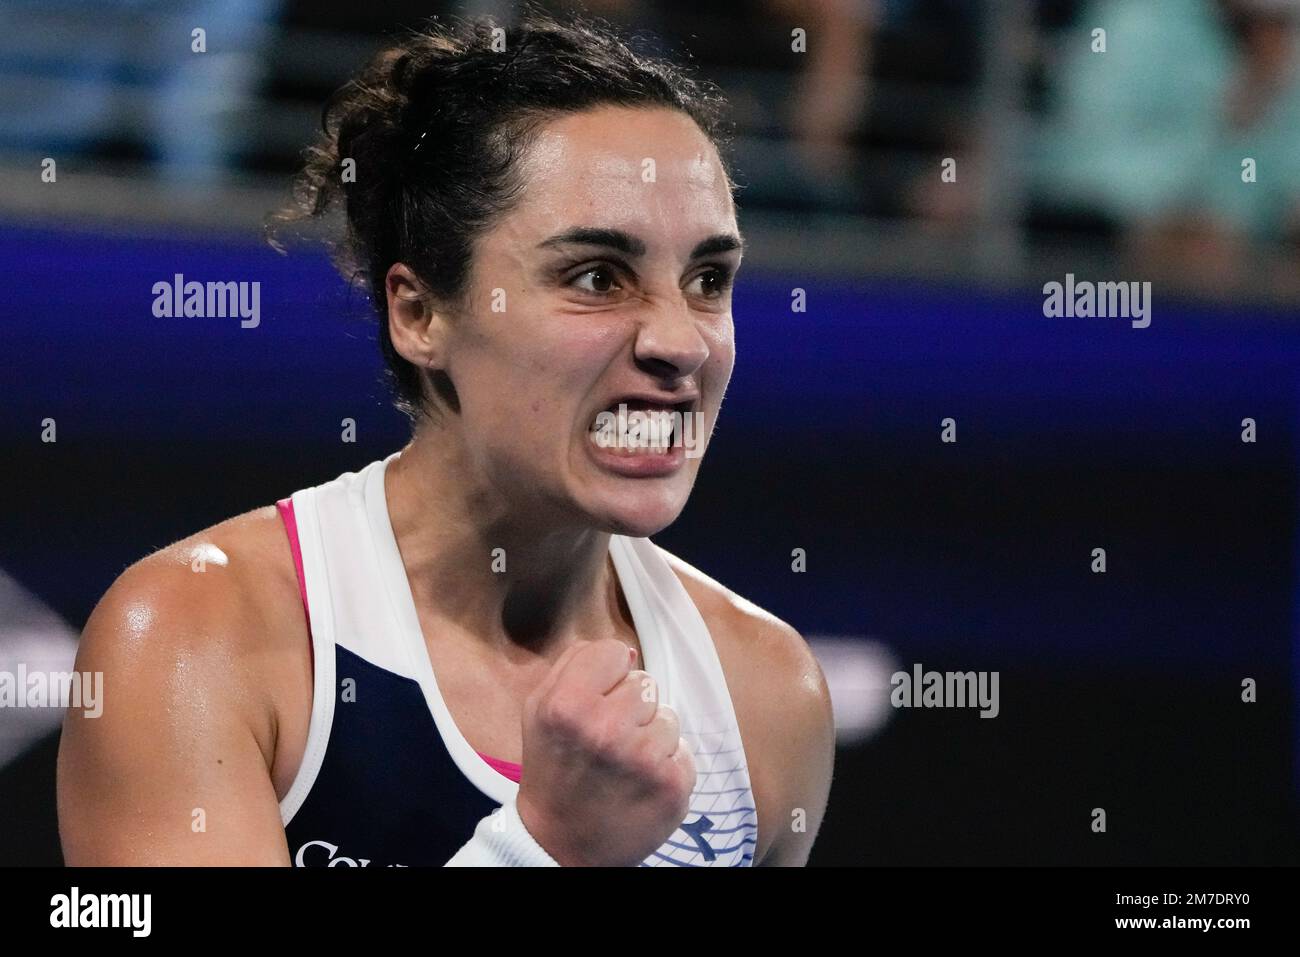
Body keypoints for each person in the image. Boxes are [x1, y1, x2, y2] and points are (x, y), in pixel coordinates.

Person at [56, 8, 835, 867]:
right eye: (597, 277)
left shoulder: (765, 693)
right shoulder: (190, 637)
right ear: (419, 313)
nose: (679, 341)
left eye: (708, 279)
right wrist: (547, 848)